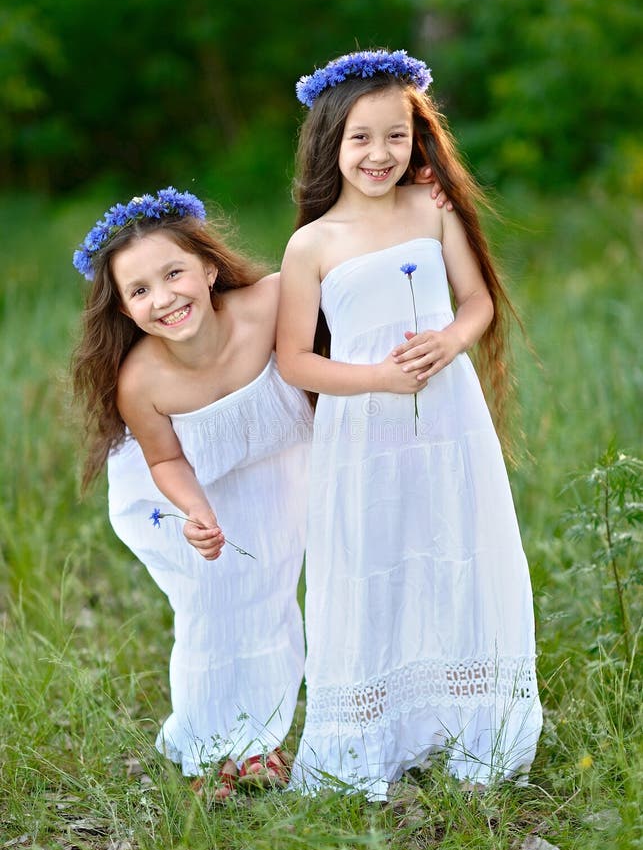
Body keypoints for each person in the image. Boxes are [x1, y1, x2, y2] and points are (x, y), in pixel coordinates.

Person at [277, 49, 543, 801]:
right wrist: (377, 379)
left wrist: (449, 342)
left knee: (454, 546)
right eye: (360, 138)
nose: (379, 154)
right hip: (362, 437)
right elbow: (296, 360)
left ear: (417, 137)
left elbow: (477, 304)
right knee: (377, 558)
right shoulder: (313, 245)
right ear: (331, 142)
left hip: (449, 423)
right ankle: (371, 734)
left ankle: (467, 723)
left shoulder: (432, 209)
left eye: (395, 136)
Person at [72, 187, 313, 802]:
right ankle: (209, 744)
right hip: (176, 491)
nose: (165, 298)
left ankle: (258, 742)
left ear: (209, 269)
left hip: (271, 460)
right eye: (140, 291)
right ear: (125, 310)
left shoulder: (269, 302)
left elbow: (342, 258)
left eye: (173, 273)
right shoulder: (142, 380)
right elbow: (164, 458)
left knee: (269, 588)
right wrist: (196, 513)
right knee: (213, 602)